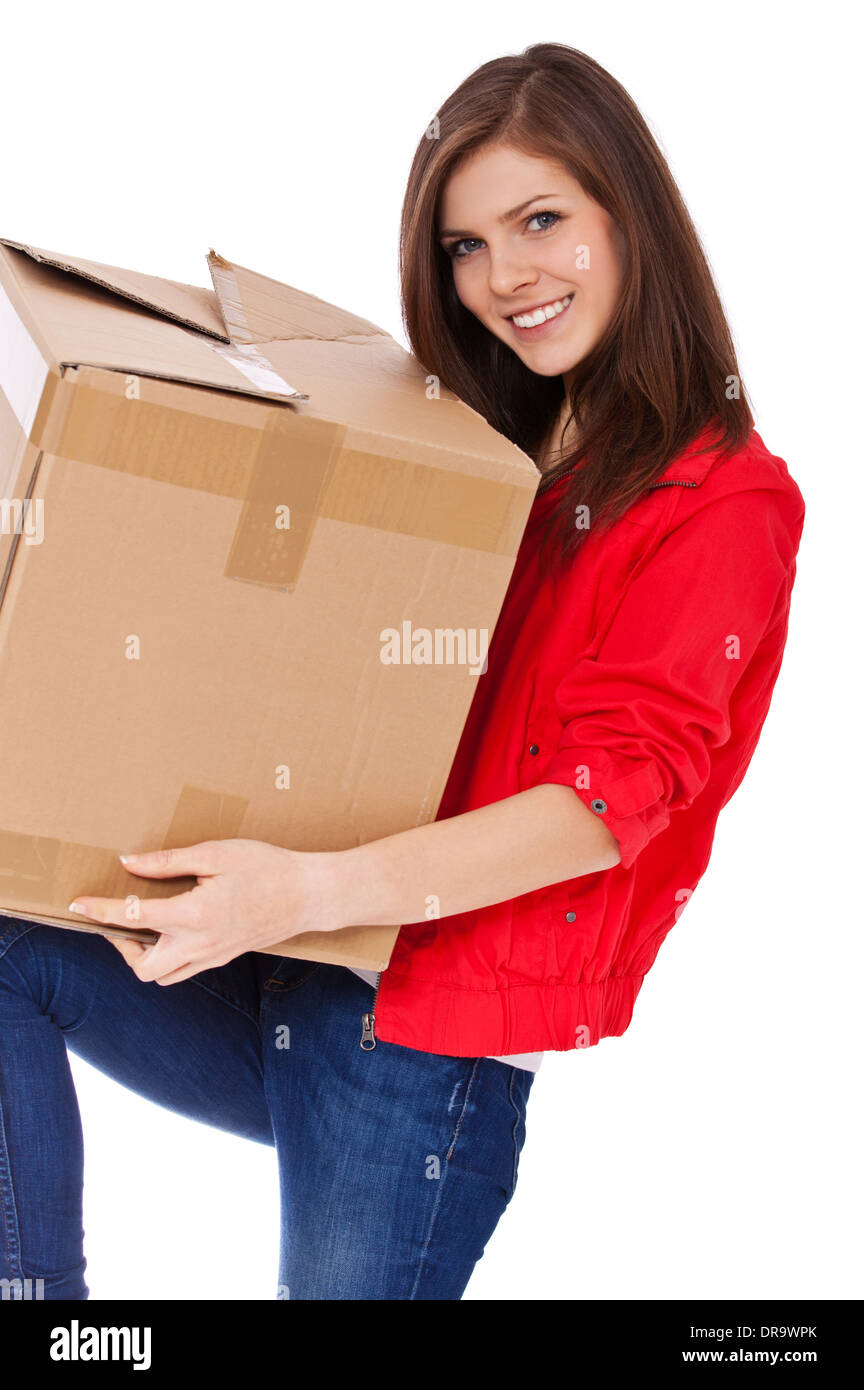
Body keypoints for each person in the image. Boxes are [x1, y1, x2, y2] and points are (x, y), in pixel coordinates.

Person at [0, 42, 804, 1301]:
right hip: (283, 974)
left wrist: (303, 890)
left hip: (423, 1059)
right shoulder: (478, 455)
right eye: (465, 246)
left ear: (629, 211)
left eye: (541, 220)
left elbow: (609, 801)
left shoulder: (723, 501)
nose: (502, 277)